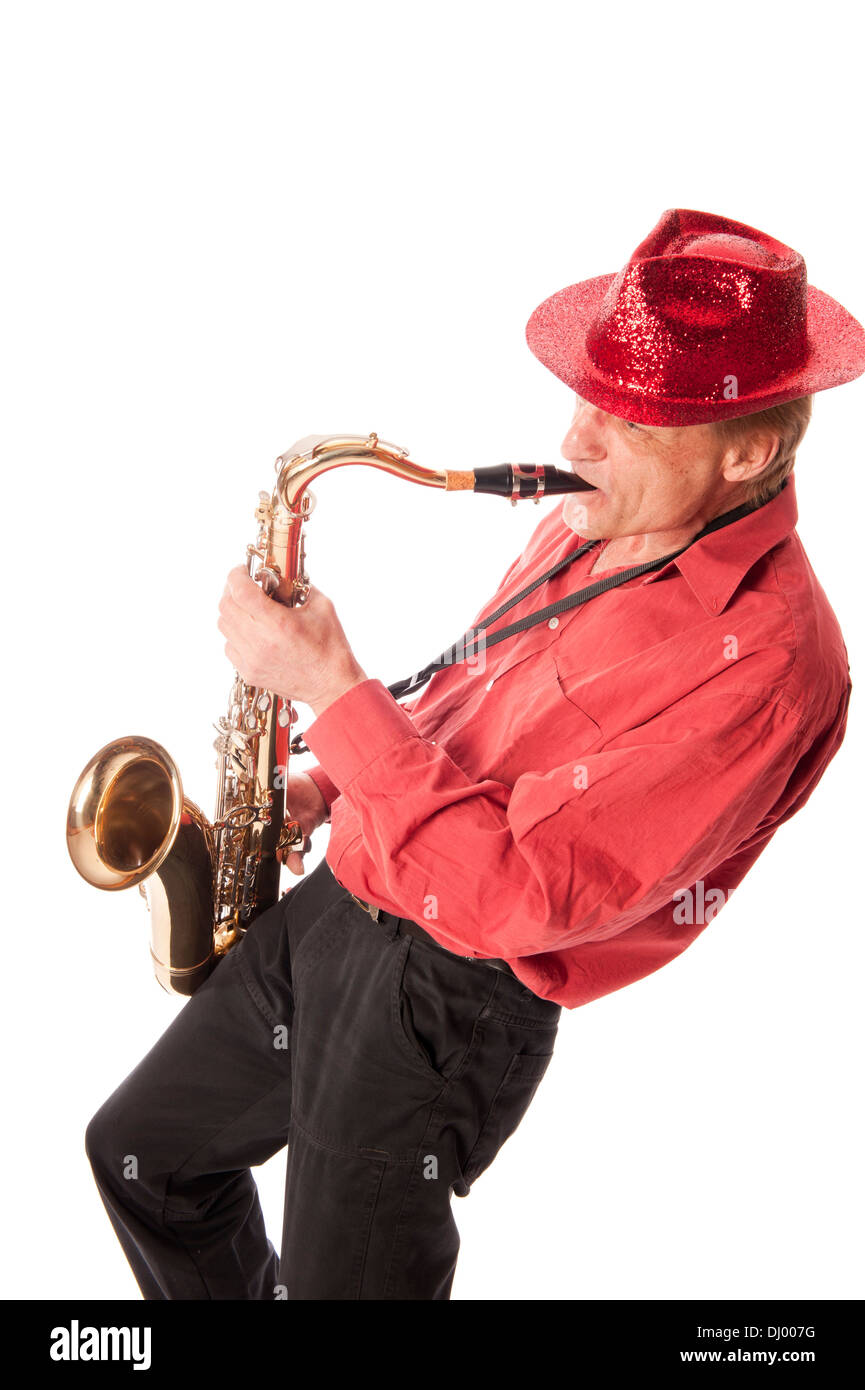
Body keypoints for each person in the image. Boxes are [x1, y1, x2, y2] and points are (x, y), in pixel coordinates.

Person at [85, 208, 865, 1300]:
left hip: (448, 995)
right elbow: (472, 698)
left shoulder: (770, 666)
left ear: (747, 450)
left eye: (628, 423)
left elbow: (518, 895)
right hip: (356, 886)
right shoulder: (588, 517)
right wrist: (325, 780)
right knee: (147, 1158)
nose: (576, 444)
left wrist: (333, 692)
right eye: (586, 399)